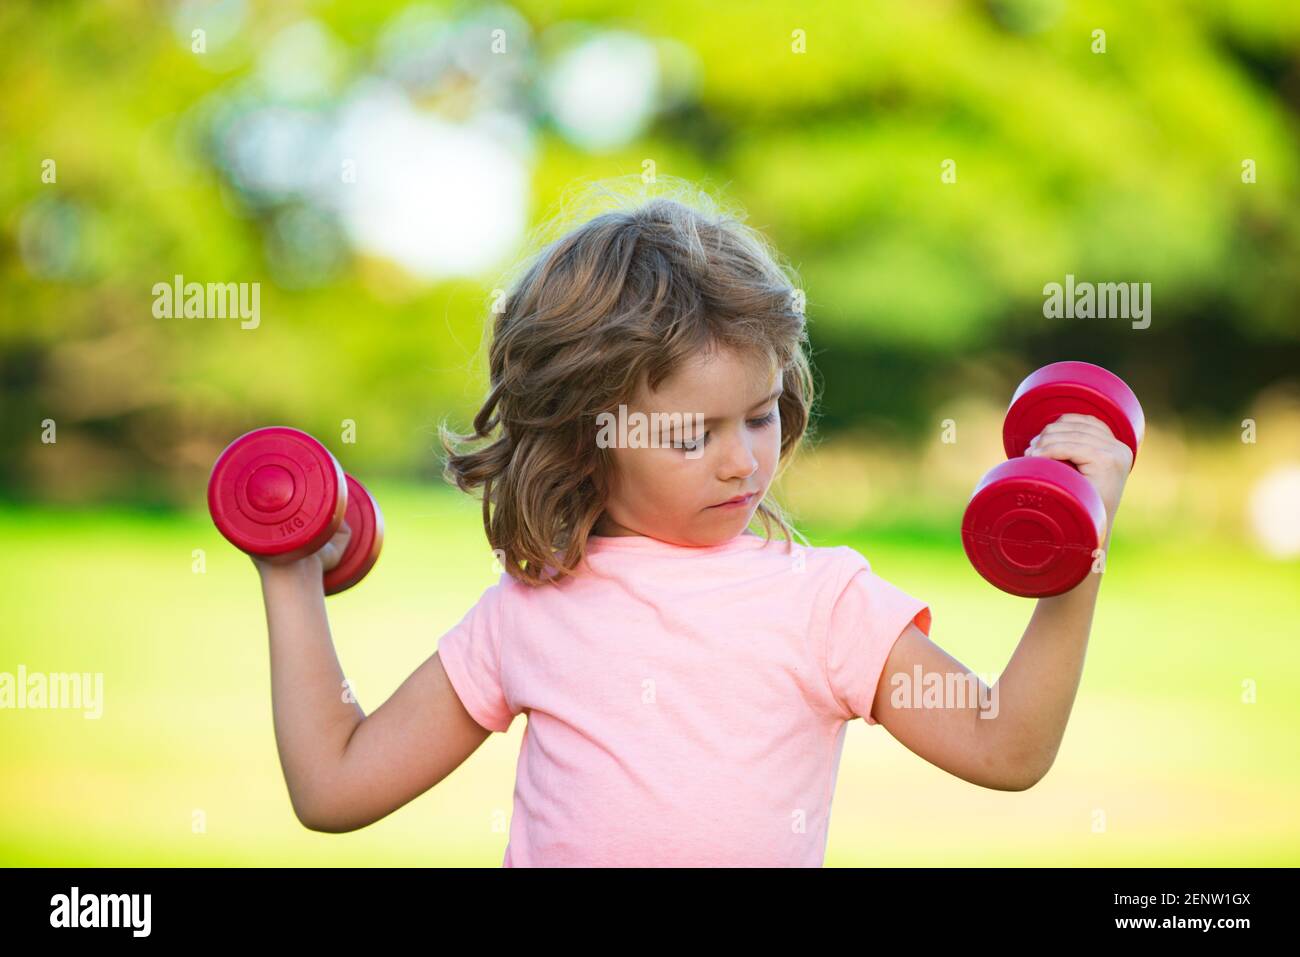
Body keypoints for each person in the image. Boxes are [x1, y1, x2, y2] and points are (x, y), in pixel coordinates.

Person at [254, 178, 1133, 866]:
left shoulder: (824, 605)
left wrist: (1080, 544)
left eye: (758, 414)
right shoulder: (528, 612)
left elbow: (1004, 745)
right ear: (585, 438)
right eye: (689, 434)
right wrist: (290, 570)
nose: (743, 460)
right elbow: (334, 788)